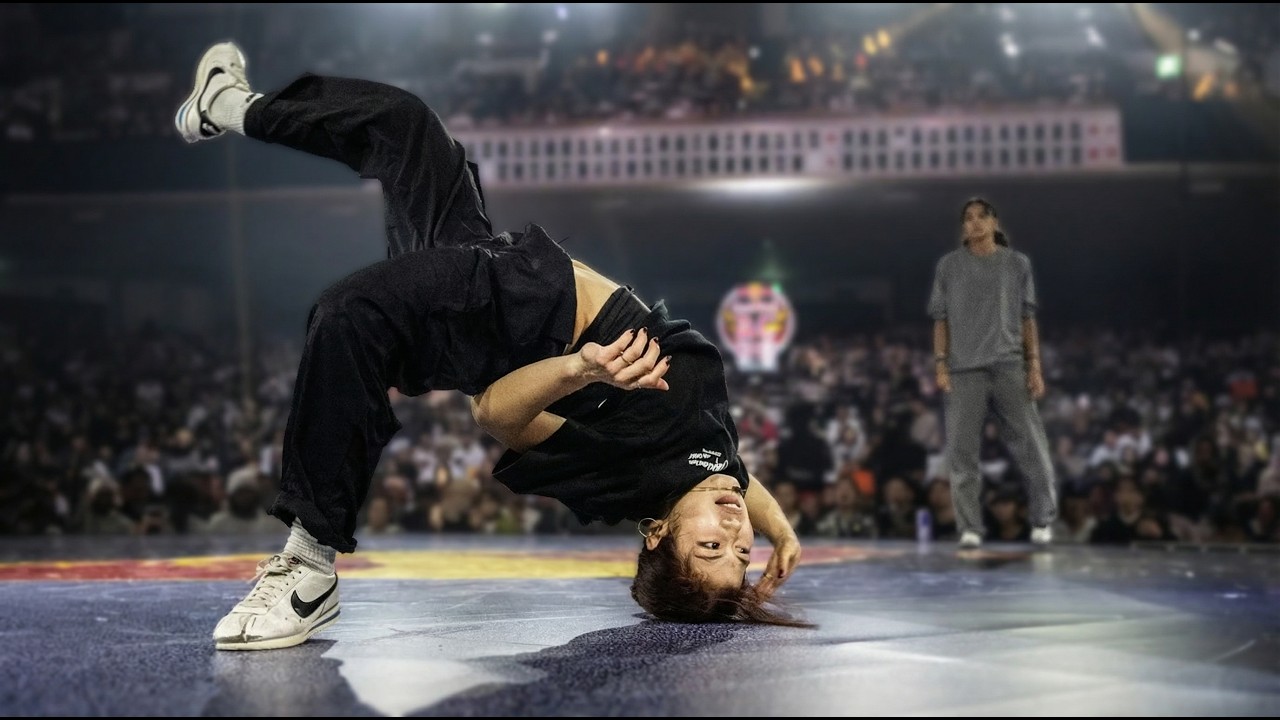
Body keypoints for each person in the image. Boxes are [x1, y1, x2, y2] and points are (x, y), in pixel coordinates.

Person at [175, 41, 807, 650]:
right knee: (405, 126)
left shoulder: (625, 479)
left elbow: (495, 415)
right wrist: (777, 527)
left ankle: (309, 562)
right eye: (740, 550)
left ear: (656, 532)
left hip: (505, 317)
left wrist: (579, 368)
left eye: (711, 548)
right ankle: (224, 106)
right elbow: (733, 482)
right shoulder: (710, 469)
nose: (732, 530)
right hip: (502, 267)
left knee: (351, 315)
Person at [927, 197, 1058, 550]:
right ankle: (970, 527)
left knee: (1030, 444)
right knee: (963, 453)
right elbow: (940, 319)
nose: (975, 223)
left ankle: (1043, 519)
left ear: (995, 222)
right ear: (962, 227)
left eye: (981, 216)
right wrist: (940, 364)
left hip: (1009, 364)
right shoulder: (949, 266)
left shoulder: (1016, 264)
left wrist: (1036, 367)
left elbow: (1027, 317)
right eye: (968, 218)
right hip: (964, 369)